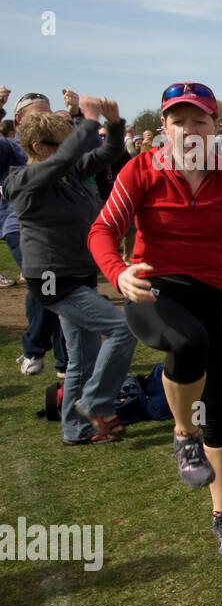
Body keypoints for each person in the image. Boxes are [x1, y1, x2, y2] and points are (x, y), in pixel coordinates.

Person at [88, 81, 222, 557]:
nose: (190, 130)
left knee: (220, 412)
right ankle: (182, 432)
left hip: (214, 291)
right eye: (179, 121)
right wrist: (118, 272)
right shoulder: (141, 170)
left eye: (200, 120)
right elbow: (103, 229)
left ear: (217, 127)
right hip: (154, 290)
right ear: (164, 128)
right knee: (189, 344)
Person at [6, 98, 137, 443]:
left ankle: (74, 429)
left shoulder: (67, 174)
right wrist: (89, 120)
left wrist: (113, 122)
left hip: (77, 273)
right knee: (123, 328)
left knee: (83, 356)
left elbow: (107, 153)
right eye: (61, 144)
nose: (69, 150)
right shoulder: (24, 180)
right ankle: (95, 402)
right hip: (52, 279)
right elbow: (66, 158)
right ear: (38, 147)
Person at [0, 88, 68, 377]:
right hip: (21, 227)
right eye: (38, 113)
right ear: (19, 120)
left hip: (59, 229)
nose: (46, 117)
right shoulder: (11, 148)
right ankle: (37, 349)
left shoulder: (56, 147)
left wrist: (75, 114)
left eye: (48, 112)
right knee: (48, 284)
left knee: (57, 288)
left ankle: (60, 360)